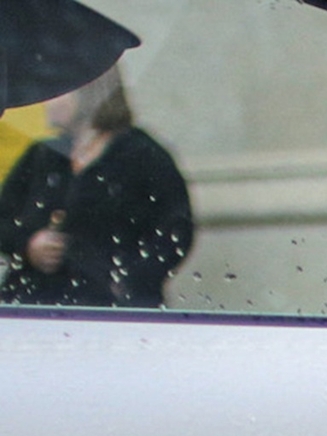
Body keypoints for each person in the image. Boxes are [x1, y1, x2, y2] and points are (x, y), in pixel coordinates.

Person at [0, 64, 192, 307]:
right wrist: (28, 244)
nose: (48, 102)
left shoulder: (142, 155)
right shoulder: (44, 155)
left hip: (112, 307)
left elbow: (175, 229)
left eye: (60, 93)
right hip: (37, 301)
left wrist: (128, 280)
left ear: (89, 92)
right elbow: (4, 218)